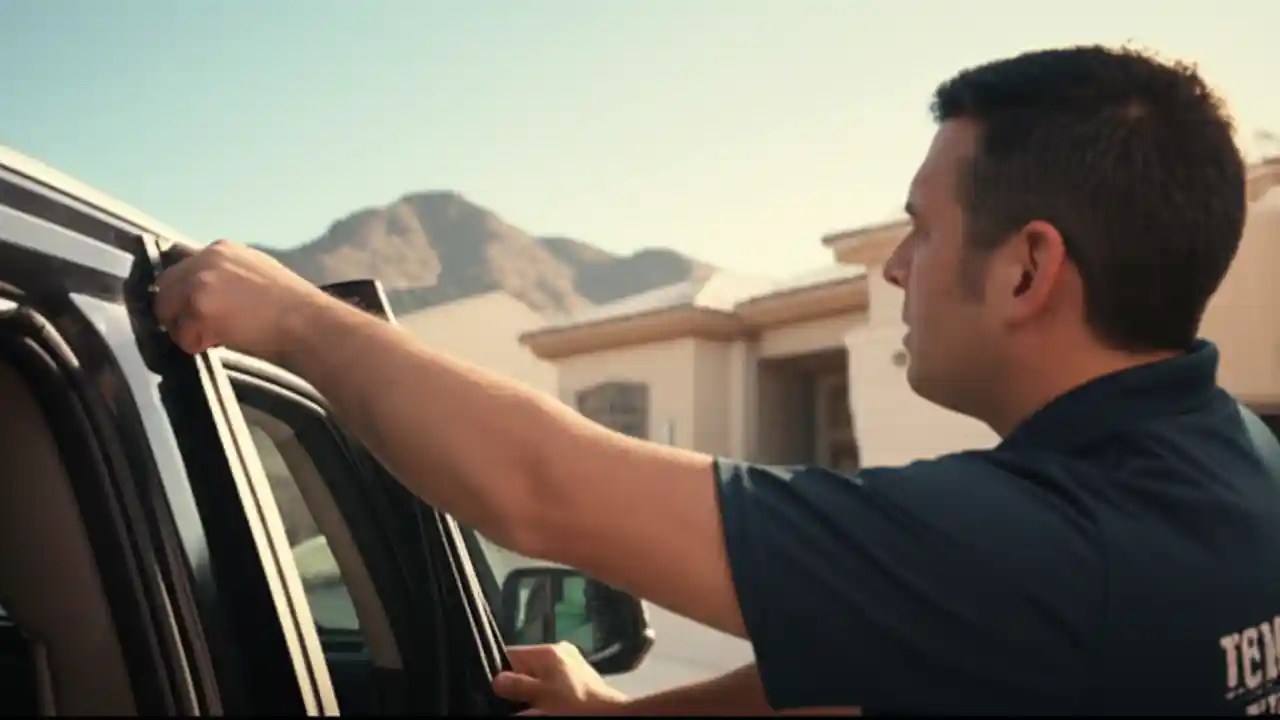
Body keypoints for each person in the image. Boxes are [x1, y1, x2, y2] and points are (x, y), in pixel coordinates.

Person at [152, 44, 1280, 715]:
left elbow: (540, 484)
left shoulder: (1048, 545)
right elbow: (888, 657)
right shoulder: (1235, 465)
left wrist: (290, 315)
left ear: (1028, 268)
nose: (896, 267)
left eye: (922, 229)